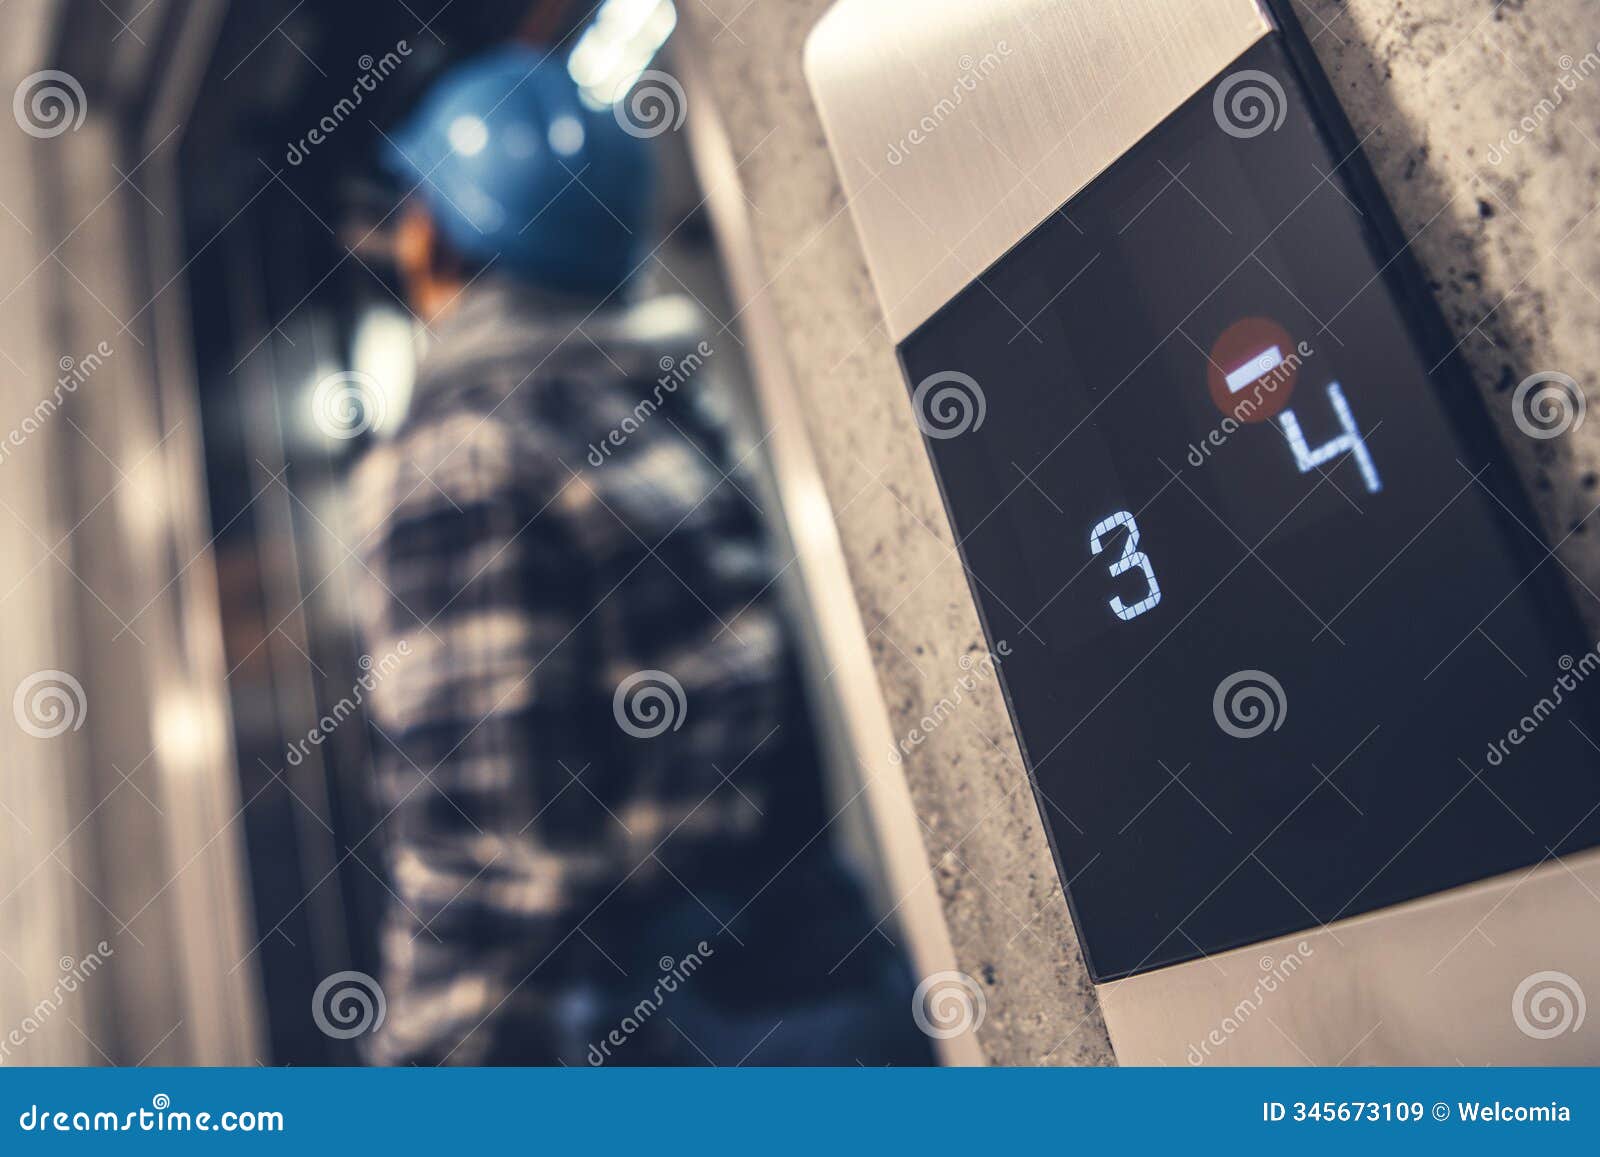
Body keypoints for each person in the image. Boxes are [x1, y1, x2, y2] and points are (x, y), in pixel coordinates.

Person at [351, 44, 929, 1066]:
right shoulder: (666, 417)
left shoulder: (460, 456)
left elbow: (489, 869)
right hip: (825, 981)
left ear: (437, 239)